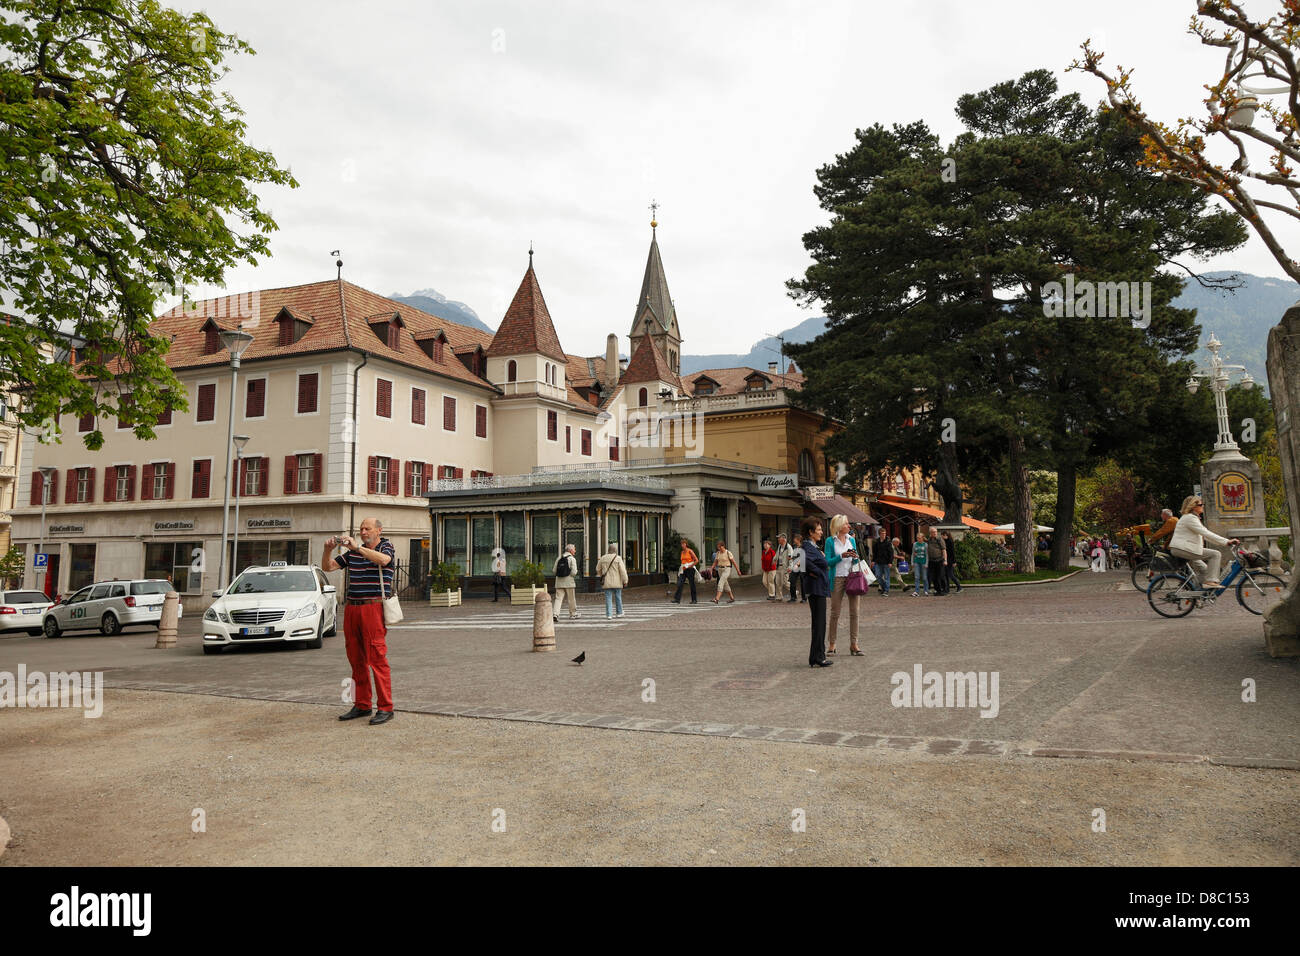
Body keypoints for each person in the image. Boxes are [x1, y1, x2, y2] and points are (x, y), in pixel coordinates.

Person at [324, 517, 396, 726]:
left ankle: (385, 707)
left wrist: (358, 548)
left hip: (372, 607)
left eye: (367, 528)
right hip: (352, 608)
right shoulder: (353, 553)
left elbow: (383, 560)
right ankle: (362, 704)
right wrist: (328, 549)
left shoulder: (386, 546)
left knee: (377, 658)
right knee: (356, 658)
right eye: (361, 529)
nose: (363, 532)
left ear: (378, 530)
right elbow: (328, 567)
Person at [1170, 495, 1239, 588]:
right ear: (1193, 506)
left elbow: (1205, 536)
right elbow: (1206, 533)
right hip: (1184, 549)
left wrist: (1225, 542)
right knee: (1215, 554)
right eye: (1201, 504)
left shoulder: (1190, 518)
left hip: (1185, 548)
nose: (1203, 506)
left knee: (1206, 571)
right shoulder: (1190, 518)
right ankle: (1211, 581)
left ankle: (1195, 593)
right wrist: (1226, 541)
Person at [824, 514, 862, 655]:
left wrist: (855, 558)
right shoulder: (830, 541)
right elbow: (828, 561)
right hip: (837, 578)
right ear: (839, 526)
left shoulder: (851, 539)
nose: (849, 526)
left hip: (852, 577)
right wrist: (842, 556)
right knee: (835, 612)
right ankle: (832, 644)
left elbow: (857, 559)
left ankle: (854, 644)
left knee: (855, 612)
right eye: (846, 524)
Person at [801, 517, 832, 668]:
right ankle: (819, 657)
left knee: (818, 623)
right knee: (820, 624)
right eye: (818, 530)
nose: (821, 532)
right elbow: (803, 563)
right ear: (811, 532)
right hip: (816, 589)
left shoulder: (811, 546)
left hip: (817, 588)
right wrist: (818, 572)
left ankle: (815, 656)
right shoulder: (807, 547)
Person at [596, 543, 628, 619]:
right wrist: (625, 580)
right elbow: (623, 571)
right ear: (615, 550)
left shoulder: (603, 558)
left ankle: (609, 614)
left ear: (608, 550)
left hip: (607, 581)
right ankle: (619, 613)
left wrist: (602, 575)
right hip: (617, 582)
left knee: (608, 598)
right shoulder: (618, 558)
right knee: (618, 597)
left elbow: (597, 569)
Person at [552, 543, 579, 621]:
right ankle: (573, 614)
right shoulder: (572, 559)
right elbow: (574, 572)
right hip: (569, 582)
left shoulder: (559, 558)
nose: (575, 551)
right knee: (571, 599)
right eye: (574, 549)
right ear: (570, 550)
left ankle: (555, 614)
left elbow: (554, 571)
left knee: (558, 599)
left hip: (559, 582)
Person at [672, 539, 699, 604]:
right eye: (681, 544)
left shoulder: (690, 551)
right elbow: (682, 561)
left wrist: (691, 565)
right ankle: (677, 599)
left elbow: (696, 560)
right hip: (683, 569)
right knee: (680, 583)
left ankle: (694, 599)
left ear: (686, 544)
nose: (682, 545)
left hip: (690, 569)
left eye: (684, 544)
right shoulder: (682, 552)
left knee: (691, 584)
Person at [872, 527, 894, 596]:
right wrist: (873, 561)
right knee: (878, 576)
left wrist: (890, 562)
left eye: (885, 534)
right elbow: (874, 553)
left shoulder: (888, 542)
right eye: (882, 534)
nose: (884, 535)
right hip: (878, 562)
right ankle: (884, 588)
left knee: (887, 577)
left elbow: (891, 553)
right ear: (879, 534)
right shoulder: (876, 542)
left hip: (886, 562)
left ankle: (886, 591)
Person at [929, 527, 949, 596]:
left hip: (940, 560)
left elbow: (944, 550)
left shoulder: (940, 539)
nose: (935, 533)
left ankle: (945, 590)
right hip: (931, 560)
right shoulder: (929, 540)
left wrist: (945, 560)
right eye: (933, 532)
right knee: (934, 577)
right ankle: (938, 590)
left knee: (941, 575)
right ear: (930, 533)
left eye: (935, 532)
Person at [774, 533, 793, 602]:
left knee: (785, 582)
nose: (778, 539)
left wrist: (790, 567)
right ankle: (779, 597)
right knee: (778, 582)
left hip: (785, 567)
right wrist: (774, 559)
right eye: (778, 538)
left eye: (779, 538)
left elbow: (790, 557)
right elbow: (777, 554)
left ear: (784, 539)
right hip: (779, 566)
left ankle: (794, 592)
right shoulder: (779, 546)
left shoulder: (788, 547)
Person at [788, 533, 806, 602]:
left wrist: (798, 564)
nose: (794, 540)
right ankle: (793, 597)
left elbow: (803, 557)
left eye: (795, 539)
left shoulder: (803, 547)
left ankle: (804, 598)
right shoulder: (795, 547)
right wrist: (791, 558)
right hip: (795, 567)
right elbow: (795, 557)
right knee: (792, 580)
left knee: (803, 582)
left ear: (798, 540)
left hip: (802, 567)